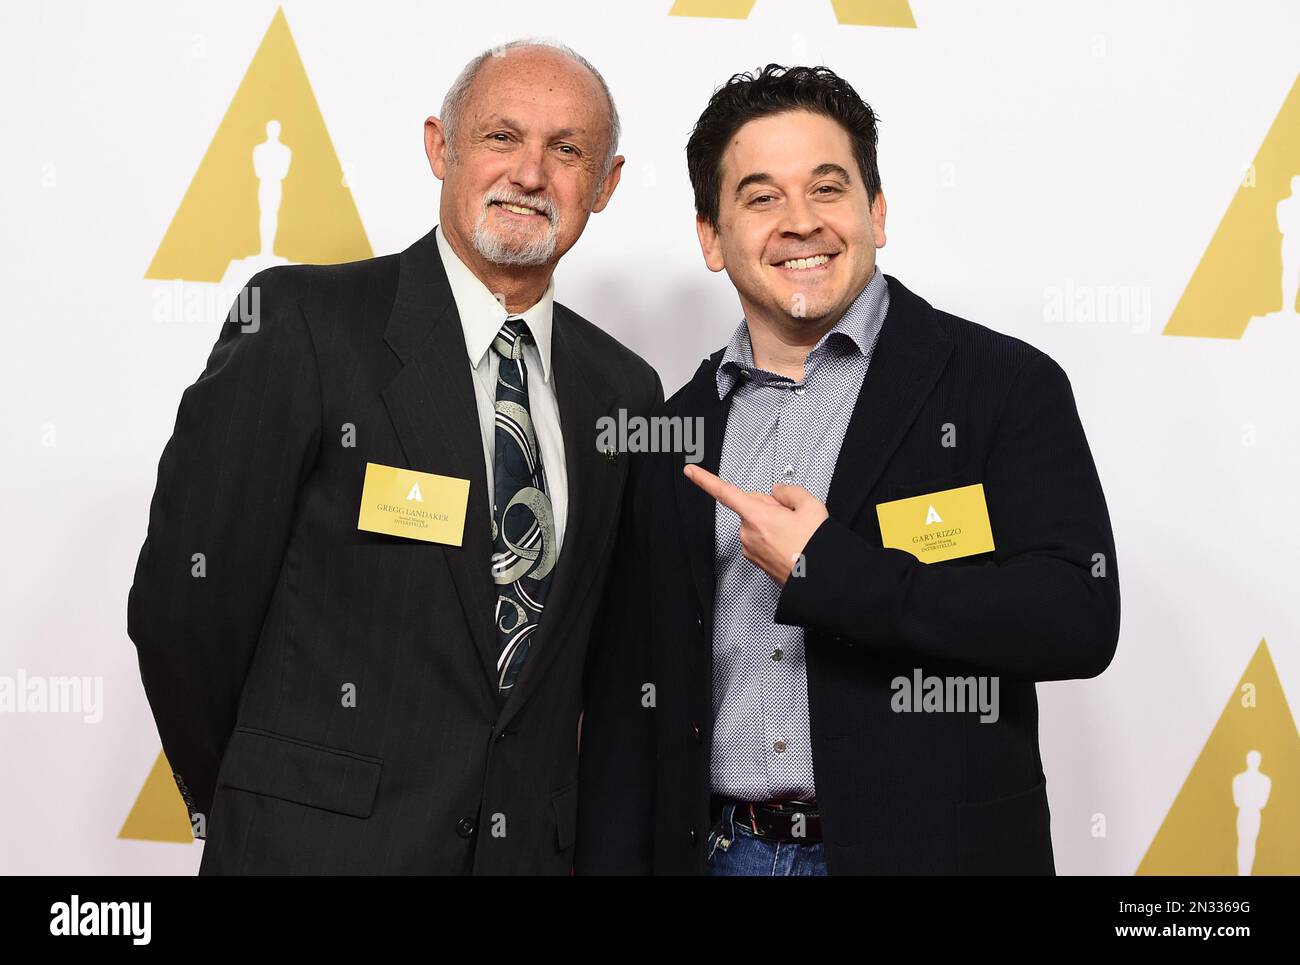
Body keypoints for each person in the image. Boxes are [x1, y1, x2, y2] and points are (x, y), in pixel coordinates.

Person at [128, 38, 661, 874]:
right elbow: (183, 606)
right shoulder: (304, 326)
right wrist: (253, 792)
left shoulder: (625, 391)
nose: (530, 172)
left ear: (605, 183)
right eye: (500, 137)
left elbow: (595, 667)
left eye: (567, 150)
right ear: (440, 147)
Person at [575, 64, 1119, 875]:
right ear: (712, 238)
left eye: (827, 189)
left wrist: (831, 571)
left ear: (878, 211)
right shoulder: (670, 431)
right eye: (761, 198)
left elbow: (1077, 615)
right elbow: (628, 706)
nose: (801, 223)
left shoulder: (1003, 385)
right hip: (722, 856)